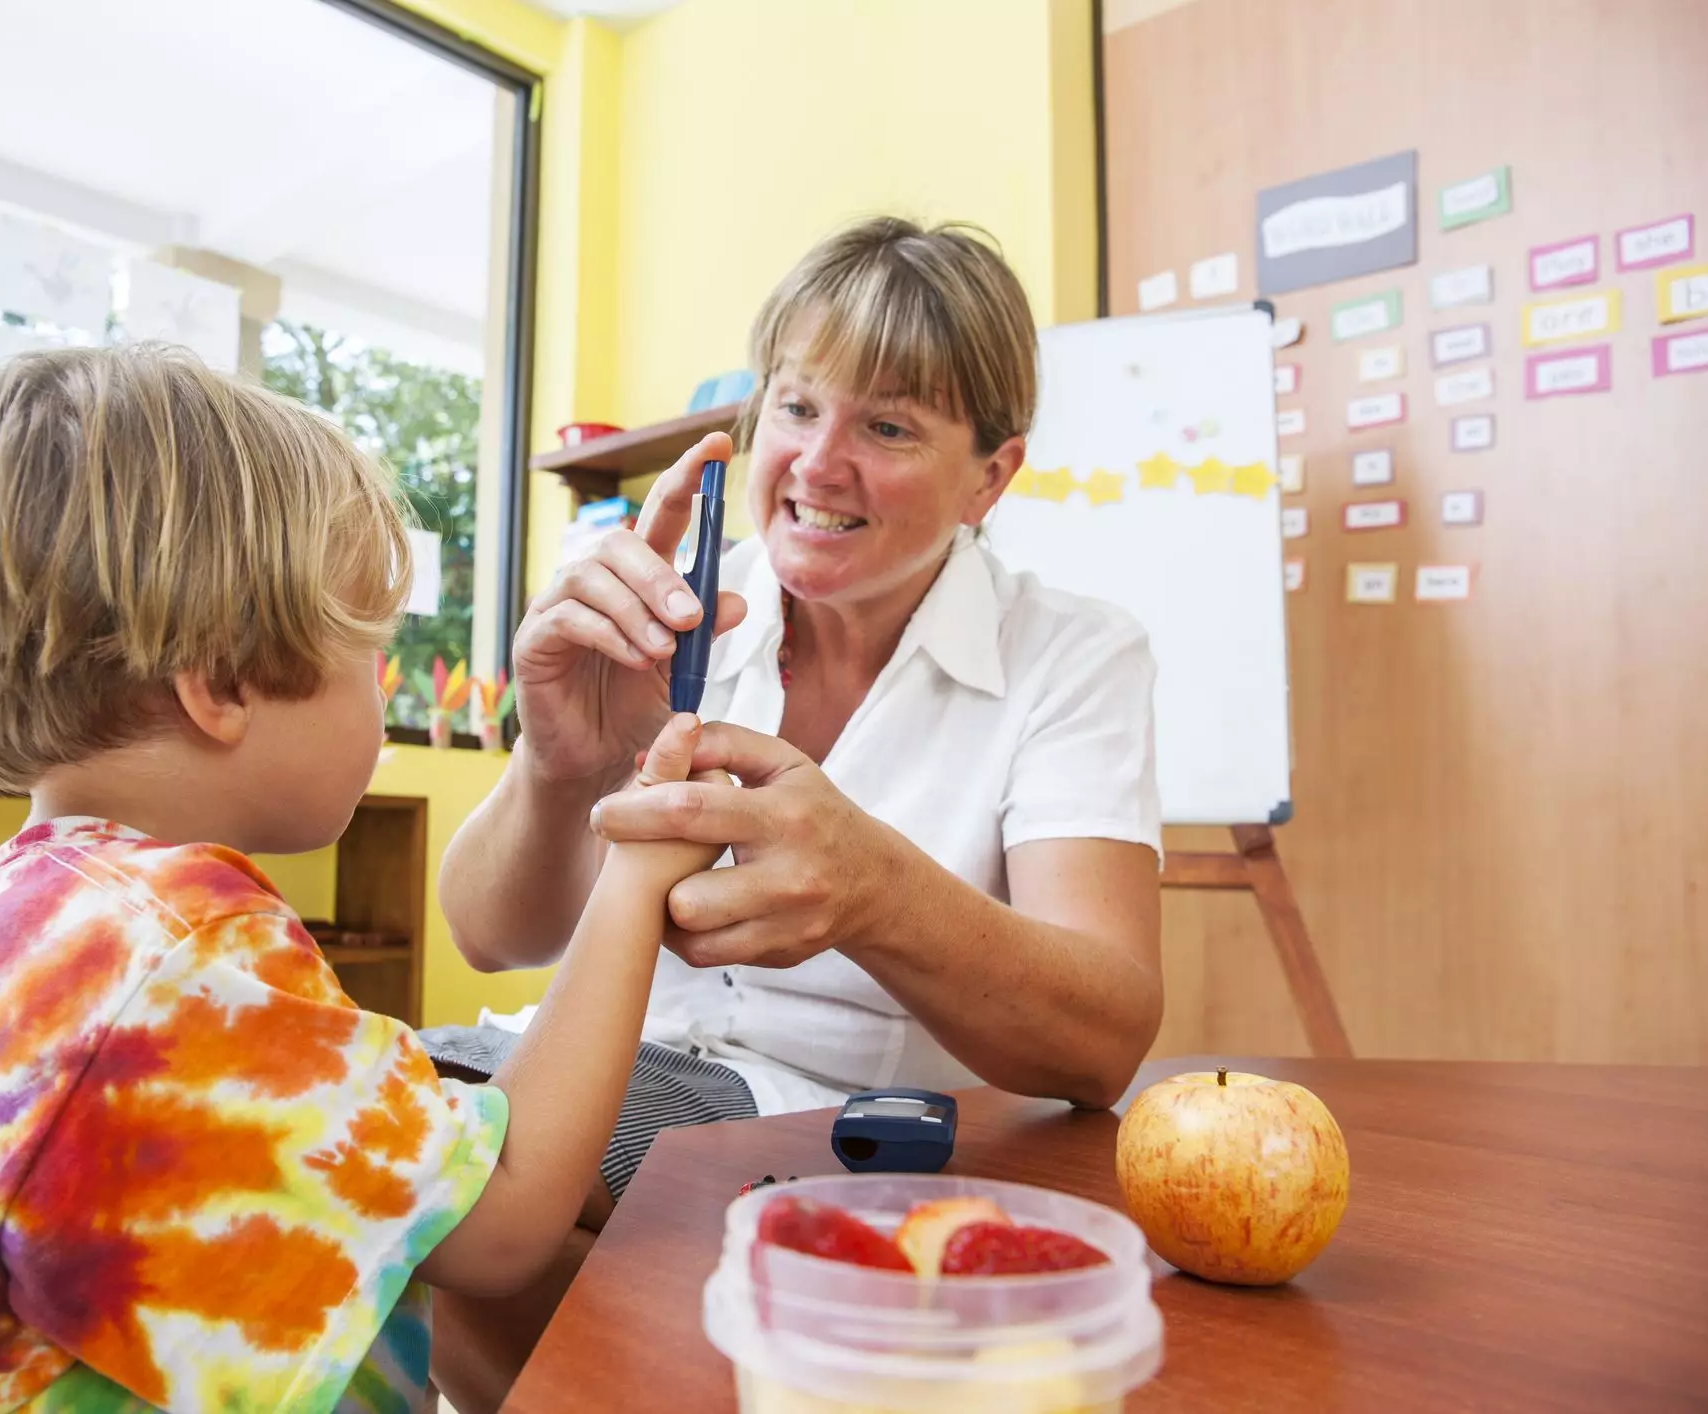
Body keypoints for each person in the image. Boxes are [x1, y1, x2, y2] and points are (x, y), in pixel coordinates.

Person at [0, 345, 722, 1413]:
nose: (380, 706)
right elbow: (499, 1220)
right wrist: (636, 873)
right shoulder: (192, 947)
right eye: (371, 659)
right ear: (221, 683)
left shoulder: (34, 911)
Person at [428, 217, 1166, 1409]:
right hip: (585, 1085)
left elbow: (1104, 1035)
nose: (819, 466)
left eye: (886, 427)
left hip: (814, 1135)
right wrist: (560, 762)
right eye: (796, 408)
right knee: (401, 1144)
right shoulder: (670, 605)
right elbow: (485, 932)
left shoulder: (1071, 657)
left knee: (457, 1217)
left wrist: (876, 890)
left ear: (993, 473)